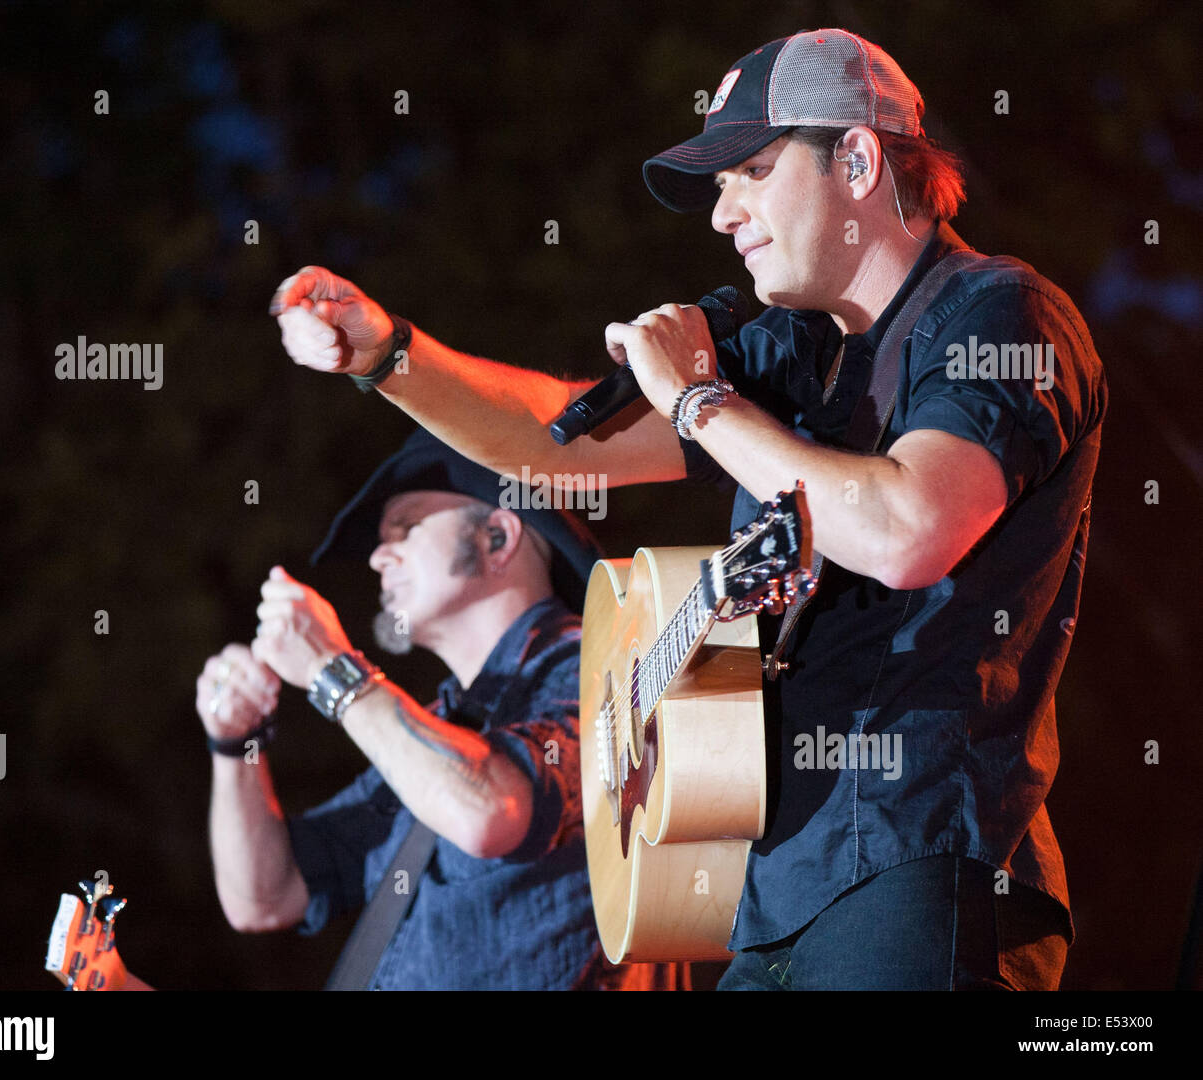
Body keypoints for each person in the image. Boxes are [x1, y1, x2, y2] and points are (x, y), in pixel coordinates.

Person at [266, 27, 1108, 990]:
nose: (723, 213)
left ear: (860, 157)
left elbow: (907, 529)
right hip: (769, 891)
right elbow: (555, 441)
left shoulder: (1001, 314)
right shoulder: (791, 353)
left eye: (750, 169)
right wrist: (389, 355)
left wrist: (700, 400)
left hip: (923, 866)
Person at [196, 428, 678, 989]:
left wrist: (333, 672)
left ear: (497, 536)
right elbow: (263, 898)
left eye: (406, 526)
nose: (379, 555)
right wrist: (233, 744)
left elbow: (491, 811)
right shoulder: (437, 729)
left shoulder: (602, 670)